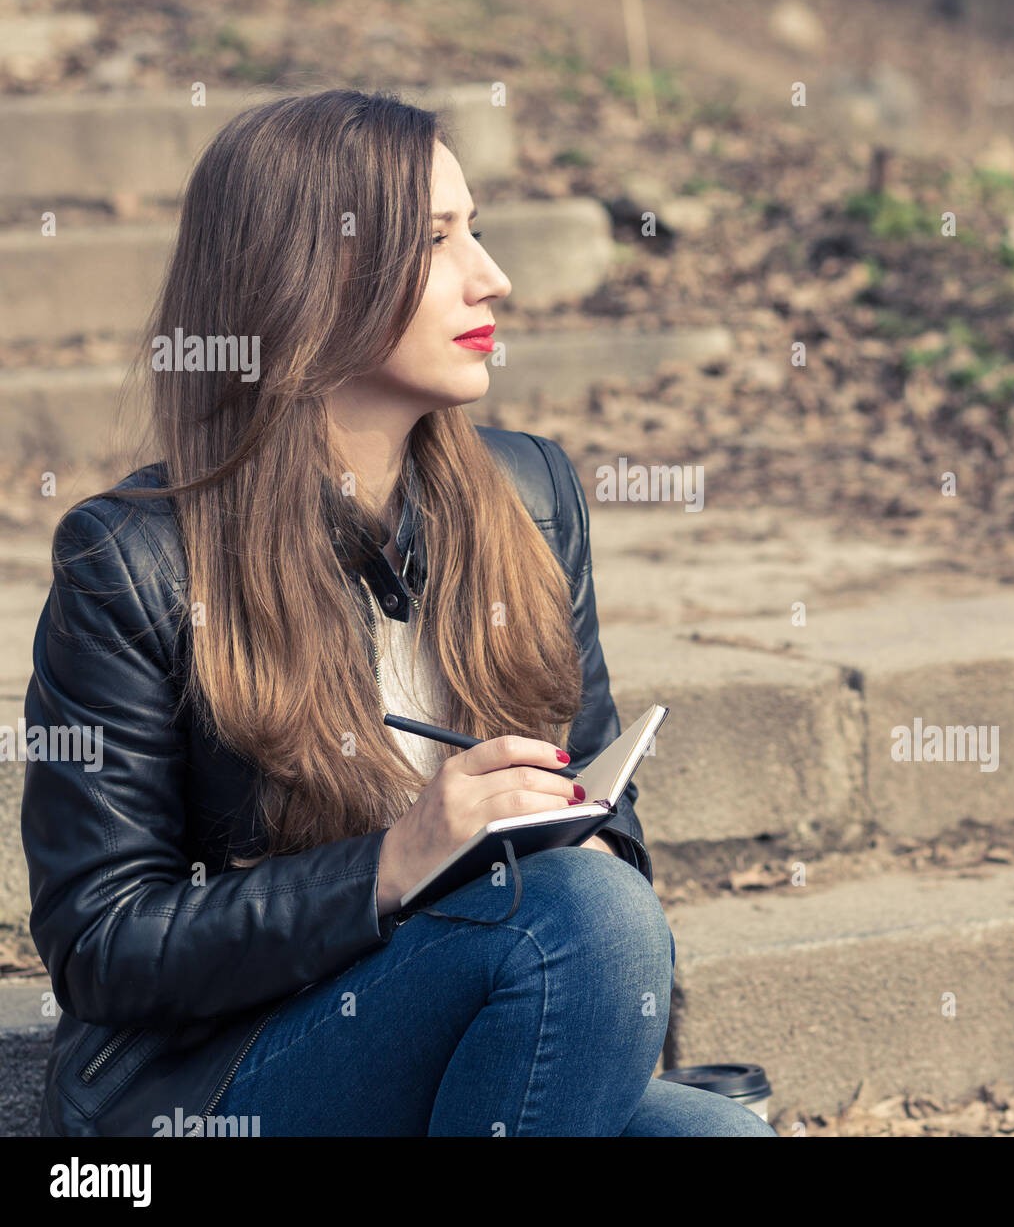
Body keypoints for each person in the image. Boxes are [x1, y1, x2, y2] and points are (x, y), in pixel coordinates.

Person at [21, 88, 775, 1137]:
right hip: (222, 1081)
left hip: (467, 1006)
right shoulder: (133, 561)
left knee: (715, 1131)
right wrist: (391, 863)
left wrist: (598, 842)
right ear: (309, 280)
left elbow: (599, 795)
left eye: (477, 228)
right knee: (584, 923)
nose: (492, 274)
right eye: (436, 240)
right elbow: (102, 942)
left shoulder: (532, 496)